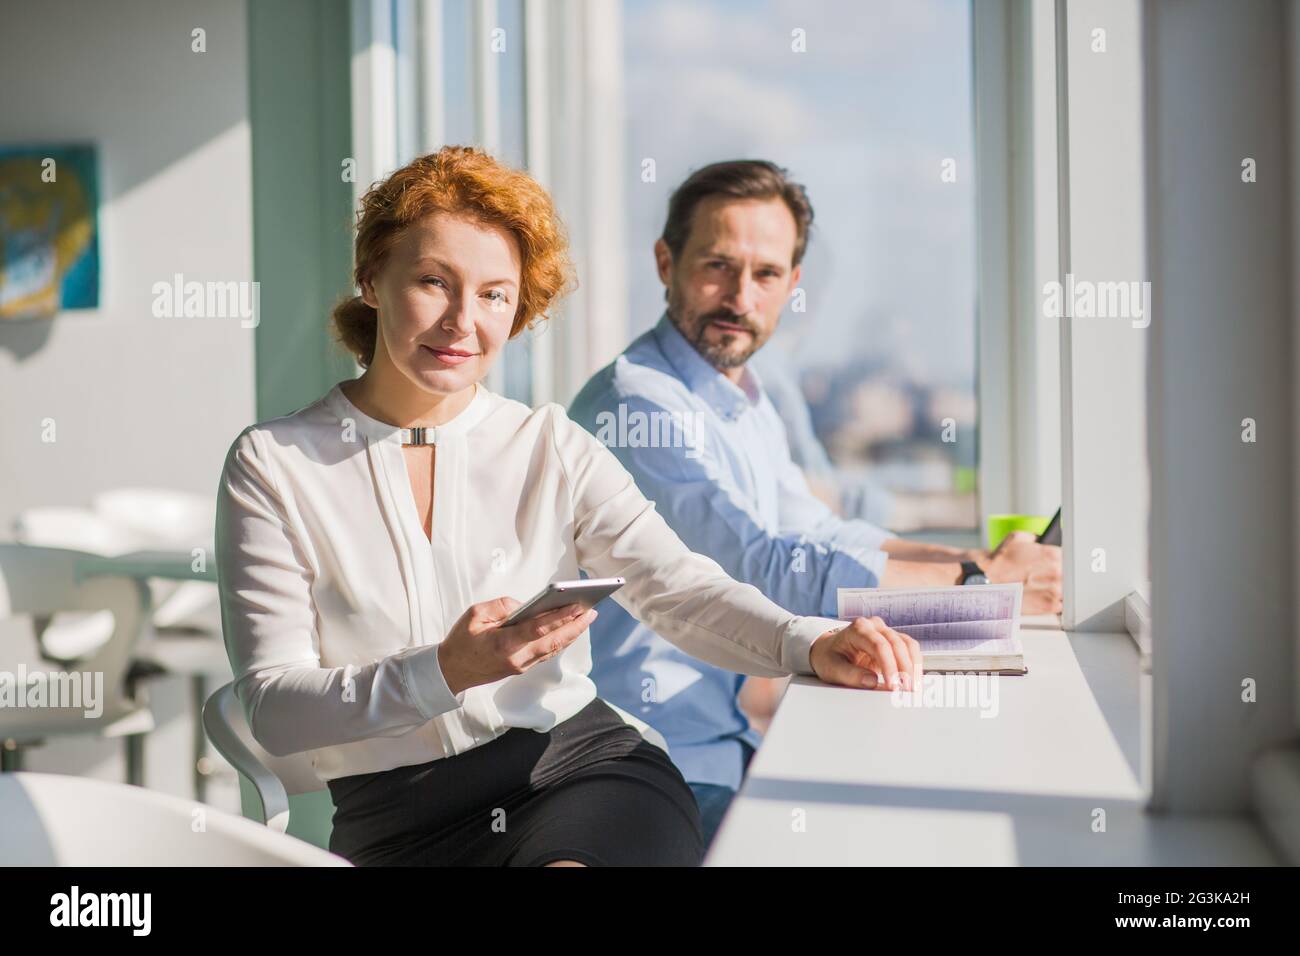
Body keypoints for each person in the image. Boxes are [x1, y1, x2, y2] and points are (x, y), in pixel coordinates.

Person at [214, 146, 923, 868]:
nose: (463, 321)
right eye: (433, 281)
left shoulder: (550, 445)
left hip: (578, 769)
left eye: (494, 294)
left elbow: (677, 589)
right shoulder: (273, 465)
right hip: (395, 824)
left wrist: (809, 641)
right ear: (371, 279)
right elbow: (272, 708)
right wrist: (445, 670)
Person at [568, 159, 1063, 847]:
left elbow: (819, 530)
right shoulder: (635, 405)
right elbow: (759, 565)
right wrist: (982, 585)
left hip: (721, 739)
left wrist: (974, 561)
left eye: (766, 274)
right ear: (664, 261)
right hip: (646, 758)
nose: (740, 296)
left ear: (792, 285)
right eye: (717, 265)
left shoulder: (741, 396)